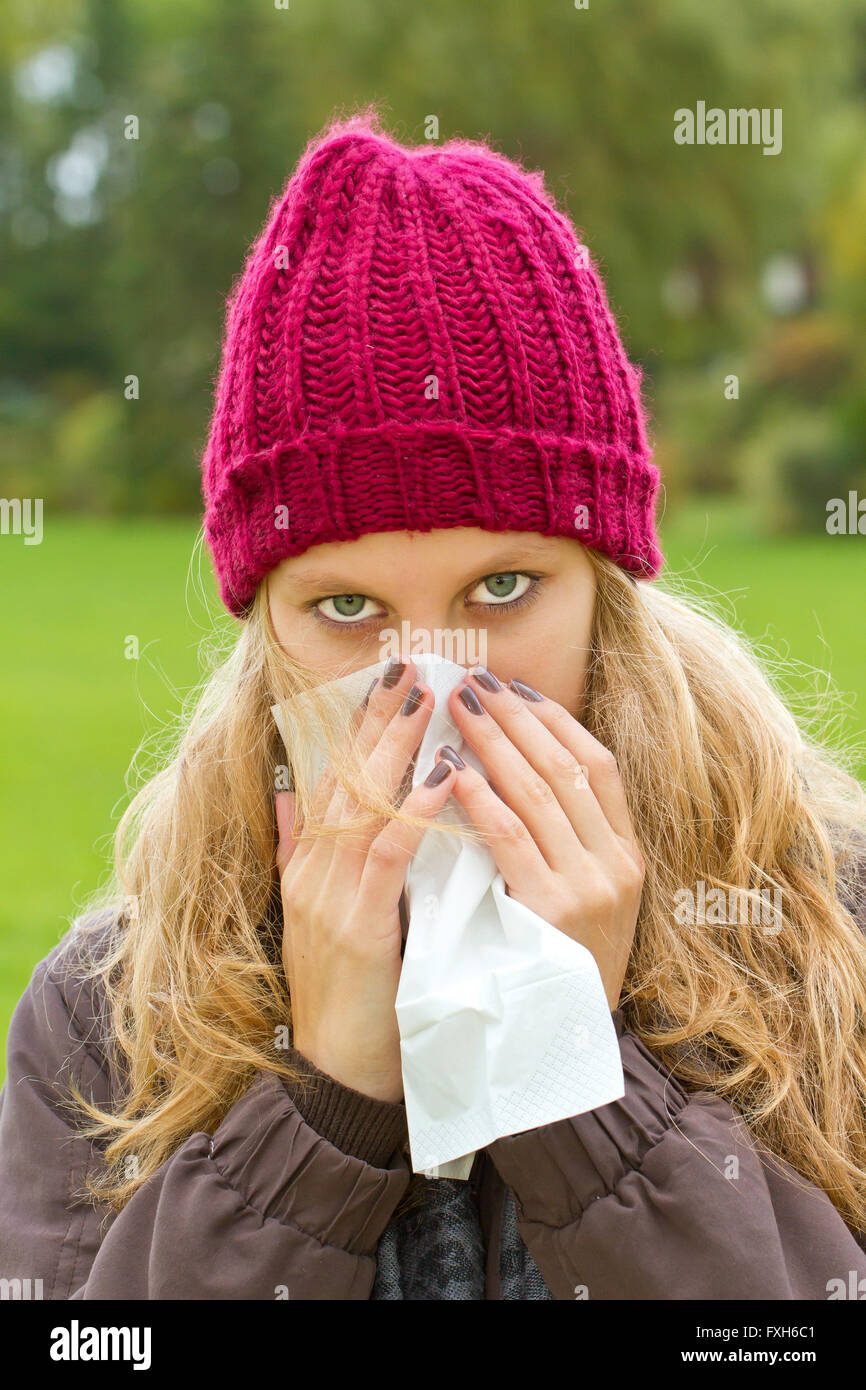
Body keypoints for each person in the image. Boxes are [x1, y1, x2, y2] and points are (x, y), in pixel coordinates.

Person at [2, 109, 866, 1301]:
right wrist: (323, 1107)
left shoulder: (822, 923)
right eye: (346, 607)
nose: (433, 677)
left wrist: (576, 1079)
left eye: (500, 587)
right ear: (263, 627)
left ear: (605, 590)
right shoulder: (113, 1002)